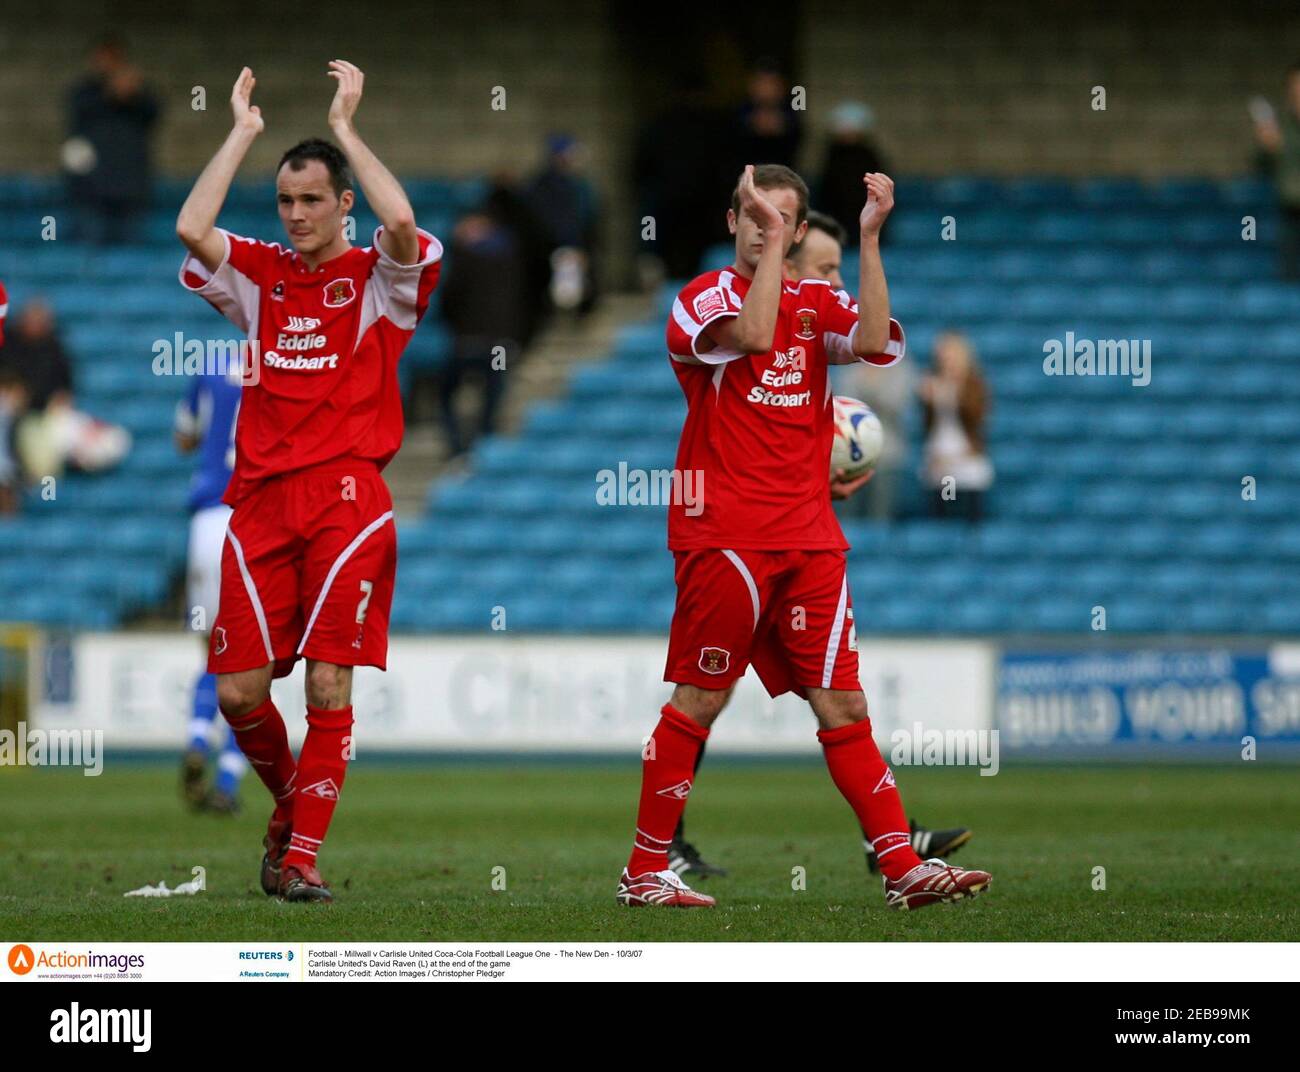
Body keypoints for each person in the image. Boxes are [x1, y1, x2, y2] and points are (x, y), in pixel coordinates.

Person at [616, 164, 991, 910]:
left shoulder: (816, 301)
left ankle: (901, 868)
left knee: (843, 704)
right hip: (725, 531)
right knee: (702, 696)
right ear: (733, 222)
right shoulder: (702, 301)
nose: (767, 227)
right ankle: (644, 870)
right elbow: (754, 335)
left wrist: (870, 239)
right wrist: (781, 250)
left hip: (810, 535)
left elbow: (878, 340)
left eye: (782, 216)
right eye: (755, 214)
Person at [176, 63, 442, 902]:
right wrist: (243, 132)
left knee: (329, 681)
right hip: (255, 506)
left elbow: (401, 218)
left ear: (341, 204)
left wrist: (348, 127)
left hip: (347, 500)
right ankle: (294, 805)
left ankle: (301, 860)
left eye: (312, 200)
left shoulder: (377, 280)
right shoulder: (258, 274)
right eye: (286, 201)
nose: (295, 215)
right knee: (238, 694)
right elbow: (192, 225)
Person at [175, 362, 246, 814]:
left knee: (212, 653)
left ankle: (198, 735)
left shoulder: (211, 370)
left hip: (206, 518)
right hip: (250, 517)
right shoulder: (285, 368)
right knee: (259, 663)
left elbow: (184, 438)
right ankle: (227, 782)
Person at [66, 35, 161, 245]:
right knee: (89, 250)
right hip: (91, 188)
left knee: (132, 256)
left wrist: (133, 94)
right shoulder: (83, 92)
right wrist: (112, 93)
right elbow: (78, 118)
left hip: (131, 187)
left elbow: (154, 114)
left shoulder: (141, 94)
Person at [918, 332, 993, 522]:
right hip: (940, 456)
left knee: (969, 511)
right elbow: (928, 424)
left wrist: (950, 393)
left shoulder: (974, 385)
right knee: (943, 509)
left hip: (966, 456)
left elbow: (976, 418)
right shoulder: (932, 384)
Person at [817, 102, 892, 247]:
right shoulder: (832, 156)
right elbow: (827, 190)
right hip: (837, 217)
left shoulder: (869, 156)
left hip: (866, 213)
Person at [1252, 63, 1300, 279]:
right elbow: (1260, 168)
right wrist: (1267, 148)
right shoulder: (1280, 126)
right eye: (1295, 89)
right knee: (1289, 276)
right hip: (1289, 212)